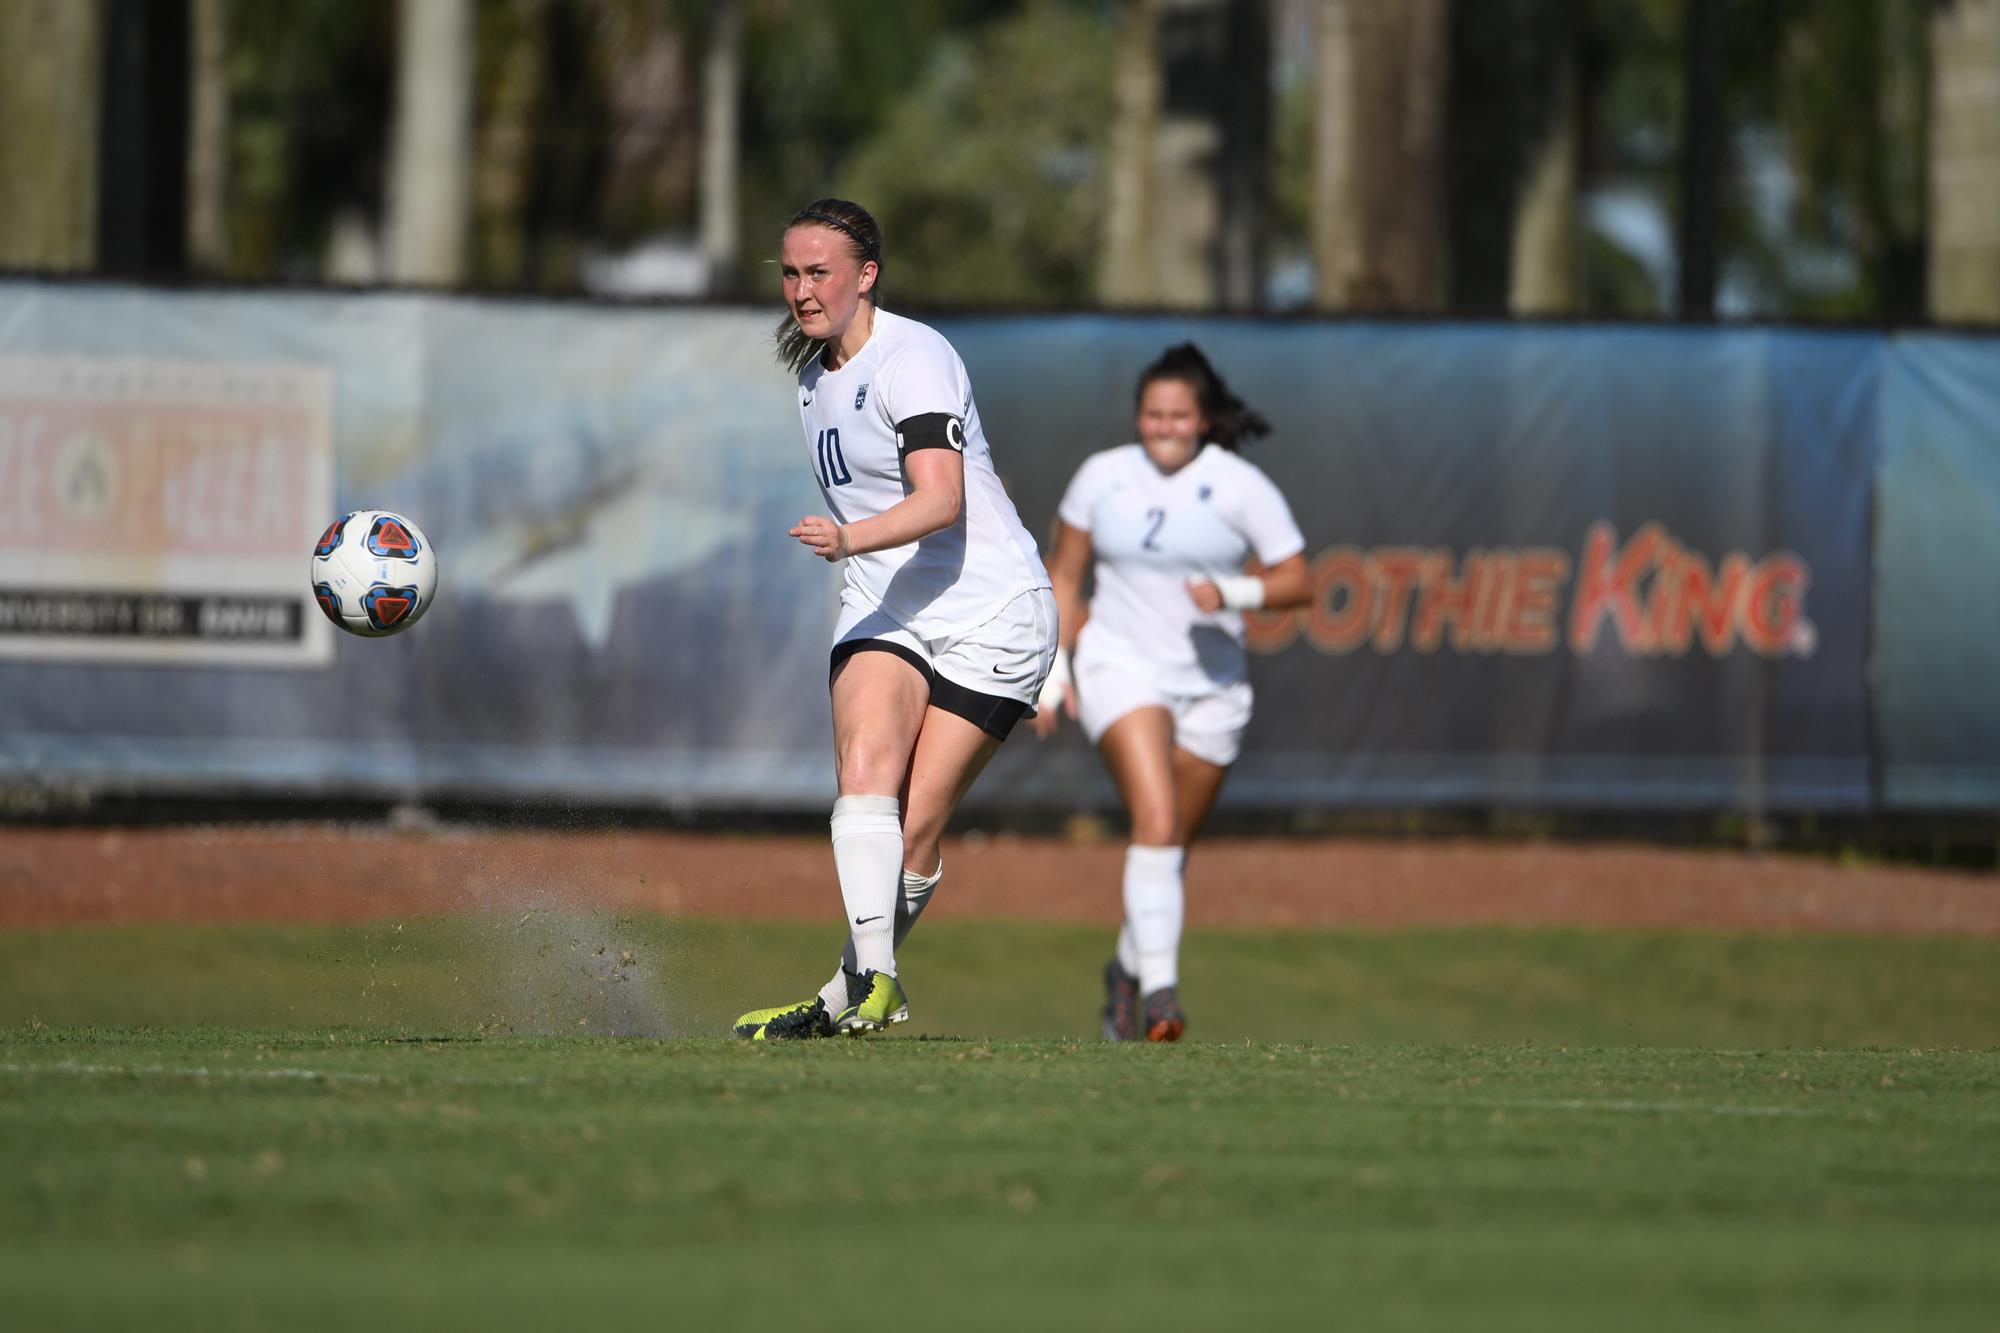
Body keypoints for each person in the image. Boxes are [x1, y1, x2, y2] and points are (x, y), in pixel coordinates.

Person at [733, 198, 1057, 1040]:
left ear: (867, 274)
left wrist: (848, 538)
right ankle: (879, 978)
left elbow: (943, 500)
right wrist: (859, 552)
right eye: (790, 273)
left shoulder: (914, 355)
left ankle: (840, 995)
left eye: (820, 272)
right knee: (865, 765)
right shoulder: (813, 374)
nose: (802, 290)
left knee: (914, 828)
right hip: (888, 601)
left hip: (993, 614)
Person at [1031, 344, 1310, 1042]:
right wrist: (1053, 670)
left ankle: (1124, 973)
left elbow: (1298, 580)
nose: (1165, 427)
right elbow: (1064, 574)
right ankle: (1161, 993)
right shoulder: (1103, 476)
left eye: (1179, 415)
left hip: (1213, 685)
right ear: (1138, 417)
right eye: (1153, 414)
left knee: (1171, 843)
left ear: (1204, 419)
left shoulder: (1240, 485)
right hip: (1119, 664)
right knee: (1155, 818)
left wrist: (1234, 592)